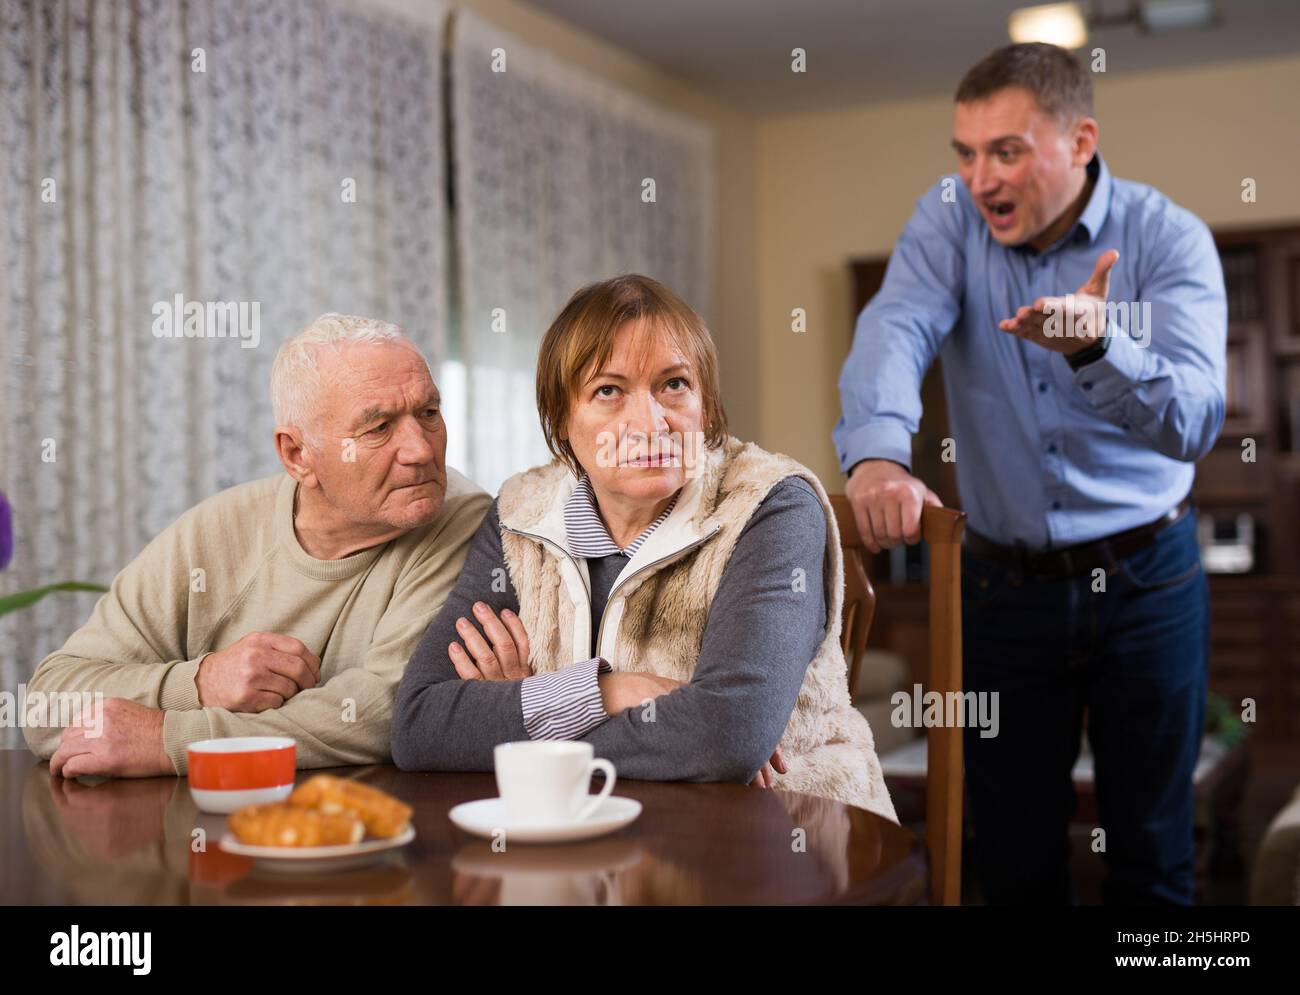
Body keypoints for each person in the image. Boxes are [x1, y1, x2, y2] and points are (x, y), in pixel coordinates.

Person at [834, 43, 1226, 903]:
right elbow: (896, 327)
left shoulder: (1169, 240)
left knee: (1153, 857)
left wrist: (1098, 342)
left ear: (1080, 141)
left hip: (1149, 580)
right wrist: (875, 457)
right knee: (1011, 858)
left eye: (1006, 151)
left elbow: (1195, 421)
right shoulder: (947, 221)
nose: (980, 178)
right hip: (1002, 589)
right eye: (965, 154)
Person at [392, 274, 897, 822]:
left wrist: (527, 715)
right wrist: (612, 691)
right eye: (609, 391)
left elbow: (727, 736)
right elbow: (420, 726)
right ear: (562, 420)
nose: (650, 423)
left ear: (705, 404)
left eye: (674, 384)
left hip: (787, 834)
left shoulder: (770, 504)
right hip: (599, 838)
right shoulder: (521, 511)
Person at [24, 314, 490, 777]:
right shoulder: (213, 531)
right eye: (378, 428)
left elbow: (388, 712)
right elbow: (47, 705)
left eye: (429, 413)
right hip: (204, 833)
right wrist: (200, 683)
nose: (421, 450)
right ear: (297, 455)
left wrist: (170, 740)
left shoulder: (467, 521)